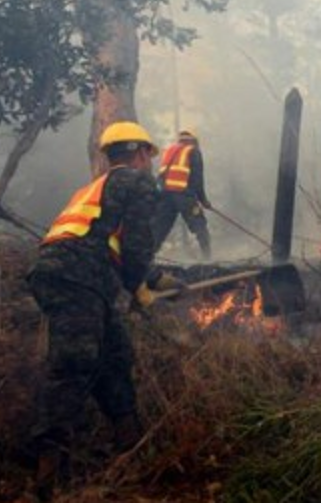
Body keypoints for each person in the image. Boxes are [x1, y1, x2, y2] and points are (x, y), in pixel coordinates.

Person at [30, 121, 179, 501]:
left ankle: (130, 446)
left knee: (115, 356)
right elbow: (138, 242)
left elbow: (105, 237)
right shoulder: (137, 181)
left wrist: (154, 276)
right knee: (76, 360)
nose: (150, 161)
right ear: (142, 152)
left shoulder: (96, 187)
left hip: (73, 273)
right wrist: (137, 286)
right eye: (149, 154)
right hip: (78, 275)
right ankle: (48, 471)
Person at [151, 128, 211, 259]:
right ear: (194, 140)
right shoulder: (193, 151)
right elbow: (197, 179)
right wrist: (203, 200)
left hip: (165, 196)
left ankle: (148, 259)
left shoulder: (170, 150)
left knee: (159, 229)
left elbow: (161, 176)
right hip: (184, 195)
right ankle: (208, 258)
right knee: (199, 225)